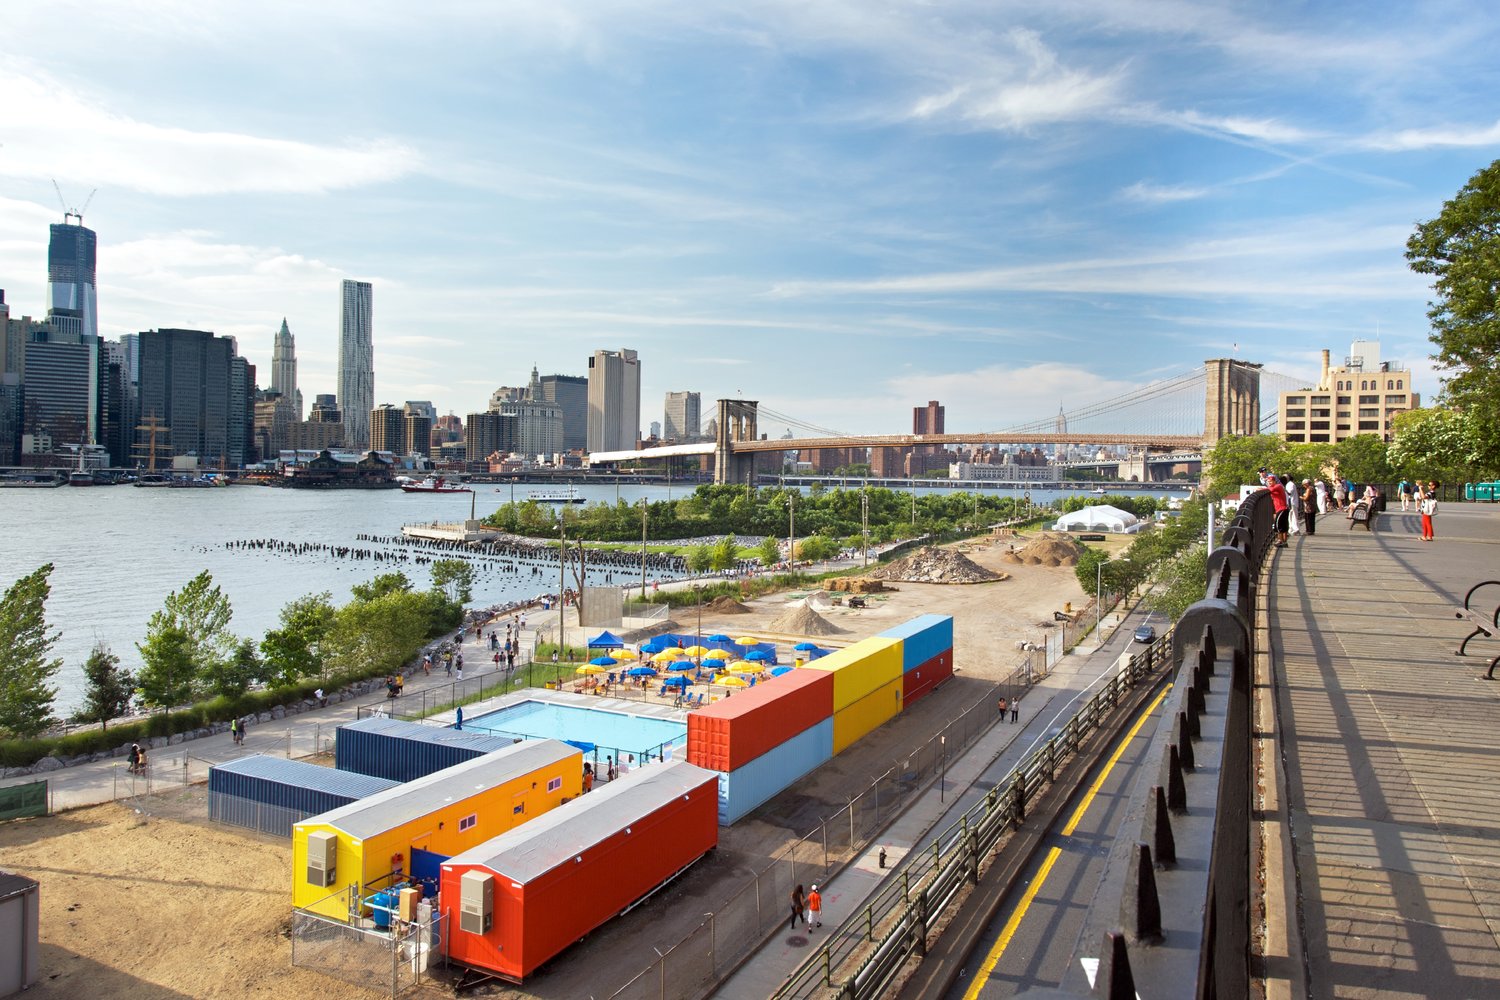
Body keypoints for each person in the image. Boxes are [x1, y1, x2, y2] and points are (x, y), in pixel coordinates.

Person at [1267, 474, 1290, 547]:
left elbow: (1270, 490)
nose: (1270, 483)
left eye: (1271, 481)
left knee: (1278, 525)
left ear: (1274, 481)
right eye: (1268, 481)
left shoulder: (1278, 486)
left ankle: (1280, 540)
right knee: (1283, 525)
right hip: (1282, 509)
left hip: (1282, 509)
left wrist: (1259, 489)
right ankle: (1284, 541)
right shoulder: (1277, 487)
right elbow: (1273, 492)